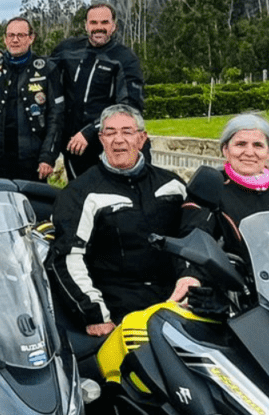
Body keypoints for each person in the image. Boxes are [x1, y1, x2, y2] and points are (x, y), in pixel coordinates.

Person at [50, 105, 187, 343]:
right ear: (101, 139)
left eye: (127, 131)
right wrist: (95, 314)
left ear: (142, 138)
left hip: (176, 303)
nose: (118, 140)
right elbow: (67, 256)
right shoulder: (80, 193)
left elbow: (194, 243)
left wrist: (191, 289)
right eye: (110, 133)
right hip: (118, 309)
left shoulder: (172, 185)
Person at [173, 113, 269, 303]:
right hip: (239, 294)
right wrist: (191, 276)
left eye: (258, 145)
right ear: (226, 150)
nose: (249, 152)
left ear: (268, 153)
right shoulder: (211, 187)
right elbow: (195, 236)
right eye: (240, 144)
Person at [49, 3, 145, 179]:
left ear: (113, 26)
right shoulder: (68, 49)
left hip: (110, 146)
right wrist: (0, 56)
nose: (99, 28)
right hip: (74, 147)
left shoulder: (125, 59)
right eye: (93, 23)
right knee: (80, 198)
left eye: (104, 22)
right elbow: (38, 70)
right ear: (86, 25)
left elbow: (130, 107)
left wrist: (90, 132)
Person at [0, 17, 63, 182]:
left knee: (31, 206)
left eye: (21, 35)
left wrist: (48, 156)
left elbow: (56, 116)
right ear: (4, 39)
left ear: (31, 38)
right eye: (11, 35)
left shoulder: (47, 69)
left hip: (32, 159)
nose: (15, 40)